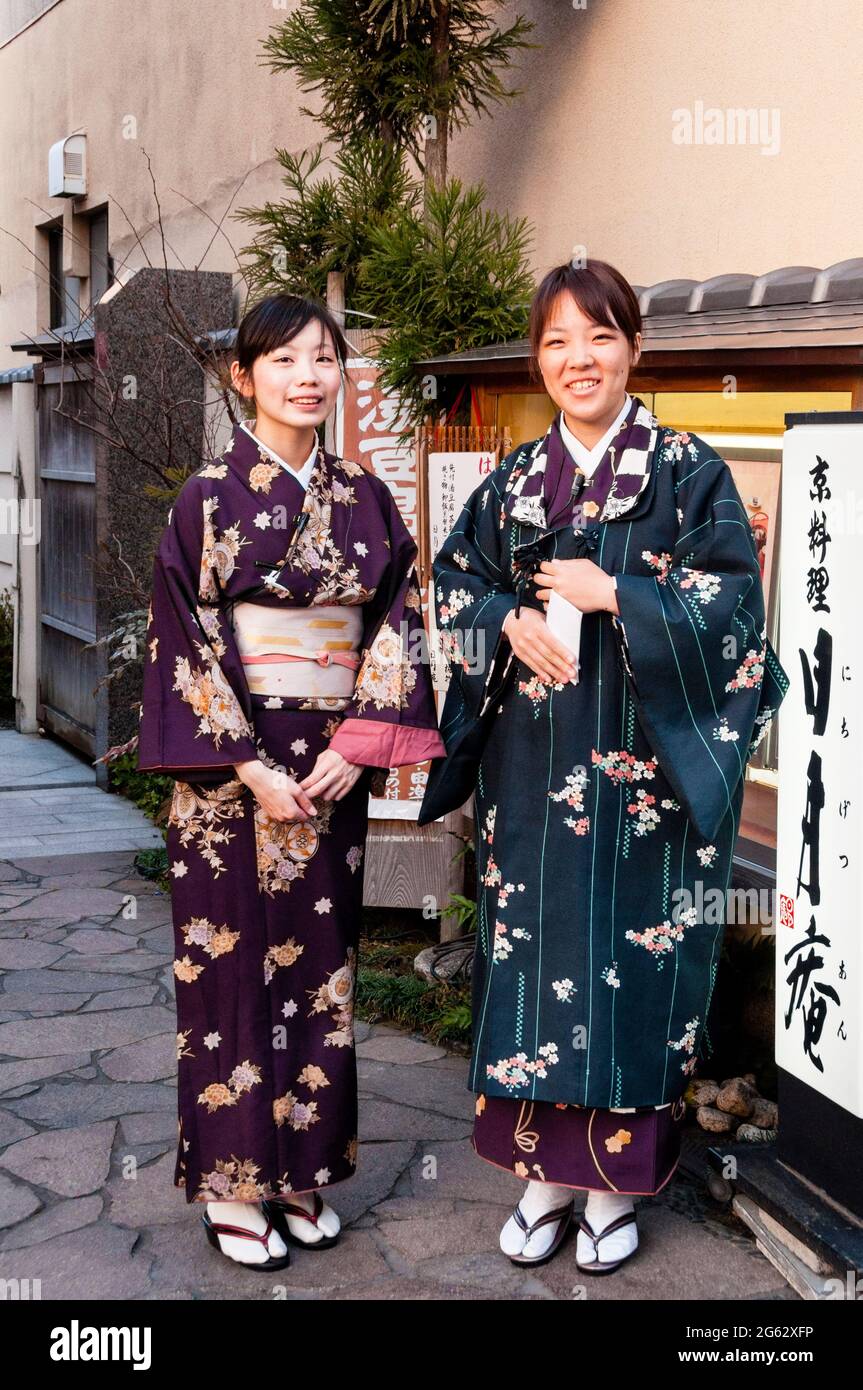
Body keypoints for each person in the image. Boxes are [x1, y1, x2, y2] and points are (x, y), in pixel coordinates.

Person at [418, 259, 790, 1272]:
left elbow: (732, 615)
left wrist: (614, 590)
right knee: (535, 971)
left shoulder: (686, 469)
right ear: (538, 359)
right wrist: (504, 622)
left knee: (630, 979)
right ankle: (544, 1178)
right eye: (555, 341)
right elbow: (449, 587)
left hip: (646, 790)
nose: (577, 359)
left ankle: (614, 1193)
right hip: (534, 780)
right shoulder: (510, 482)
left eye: (597, 336)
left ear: (634, 348)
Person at [137, 293, 445, 1268]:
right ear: (244, 377)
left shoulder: (366, 499)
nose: (307, 377)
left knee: (320, 973)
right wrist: (243, 761)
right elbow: (180, 639)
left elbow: (399, 617)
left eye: (323, 359)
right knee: (229, 975)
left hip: (327, 773)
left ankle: (303, 1169)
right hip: (230, 781)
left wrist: (358, 745)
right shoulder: (207, 500)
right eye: (283, 361)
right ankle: (236, 1186)